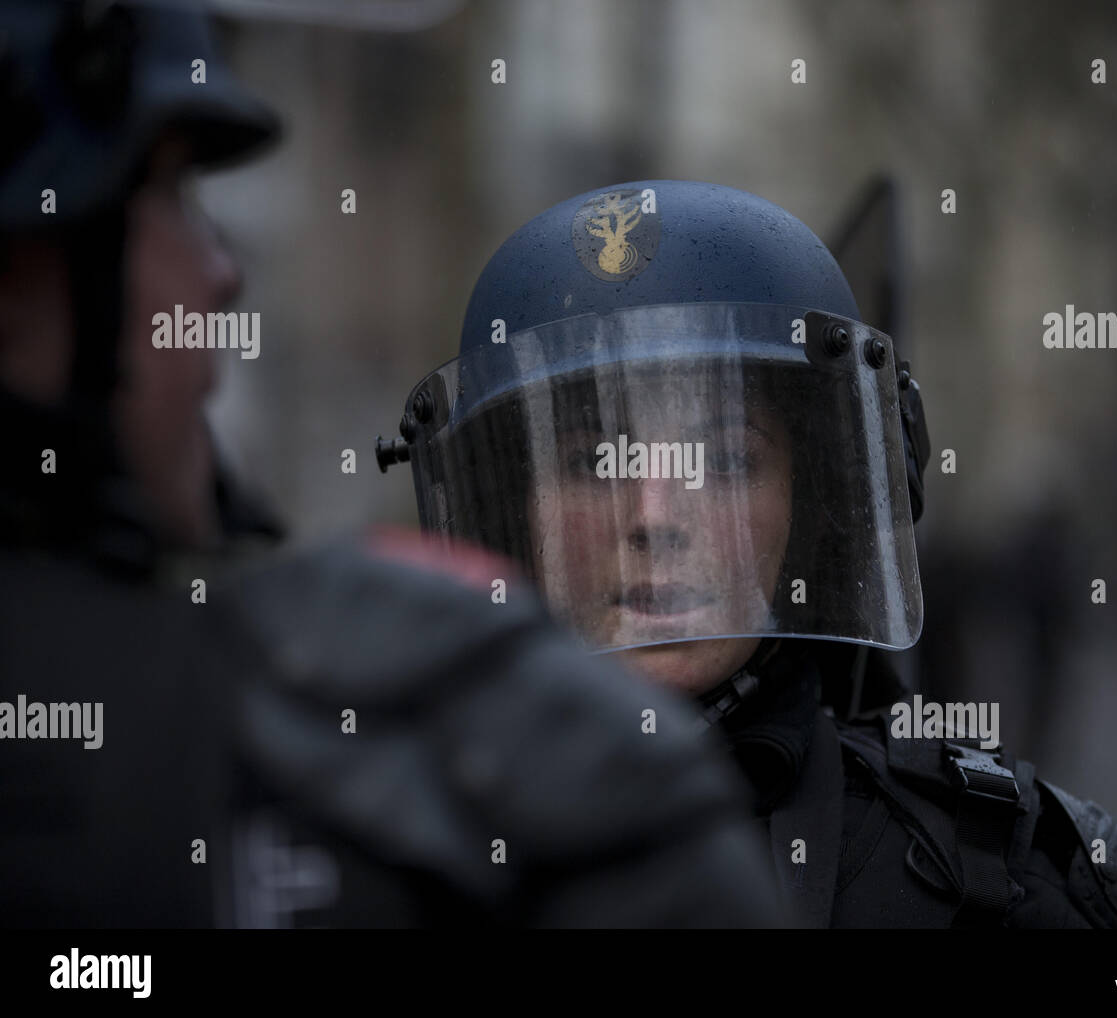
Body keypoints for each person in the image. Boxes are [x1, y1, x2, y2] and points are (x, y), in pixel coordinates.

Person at [0, 0, 789, 928]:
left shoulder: (968, 848)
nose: (222, 272)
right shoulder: (386, 749)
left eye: (726, 458)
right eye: (169, 193)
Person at [379, 179, 1117, 928]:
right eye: (597, 461)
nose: (656, 515)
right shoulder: (377, 862)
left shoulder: (1002, 878)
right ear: (515, 513)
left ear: (812, 506)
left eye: (726, 458)